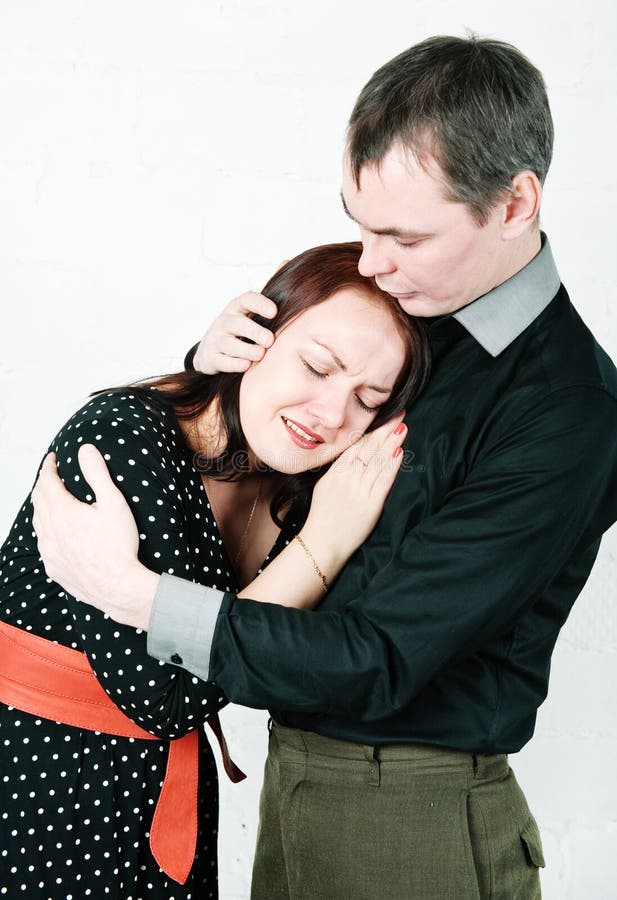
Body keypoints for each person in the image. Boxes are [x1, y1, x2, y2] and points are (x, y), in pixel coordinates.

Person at [31, 35, 617, 900]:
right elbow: (294, 471)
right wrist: (227, 375)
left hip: (411, 819)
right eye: (357, 222)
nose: (372, 261)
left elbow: (379, 654)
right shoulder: (416, 312)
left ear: (513, 203)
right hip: (299, 784)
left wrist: (135, 596)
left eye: (401, 235)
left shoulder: (566, 411)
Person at [0, 242, 428, 900]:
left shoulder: (300, 489)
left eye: (366, 399)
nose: (331, 412)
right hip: (43, 787)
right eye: (317, 366)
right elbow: (164, 699)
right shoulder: (122, 437)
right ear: (252, 338)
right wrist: (323, 547)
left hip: (160, 796)